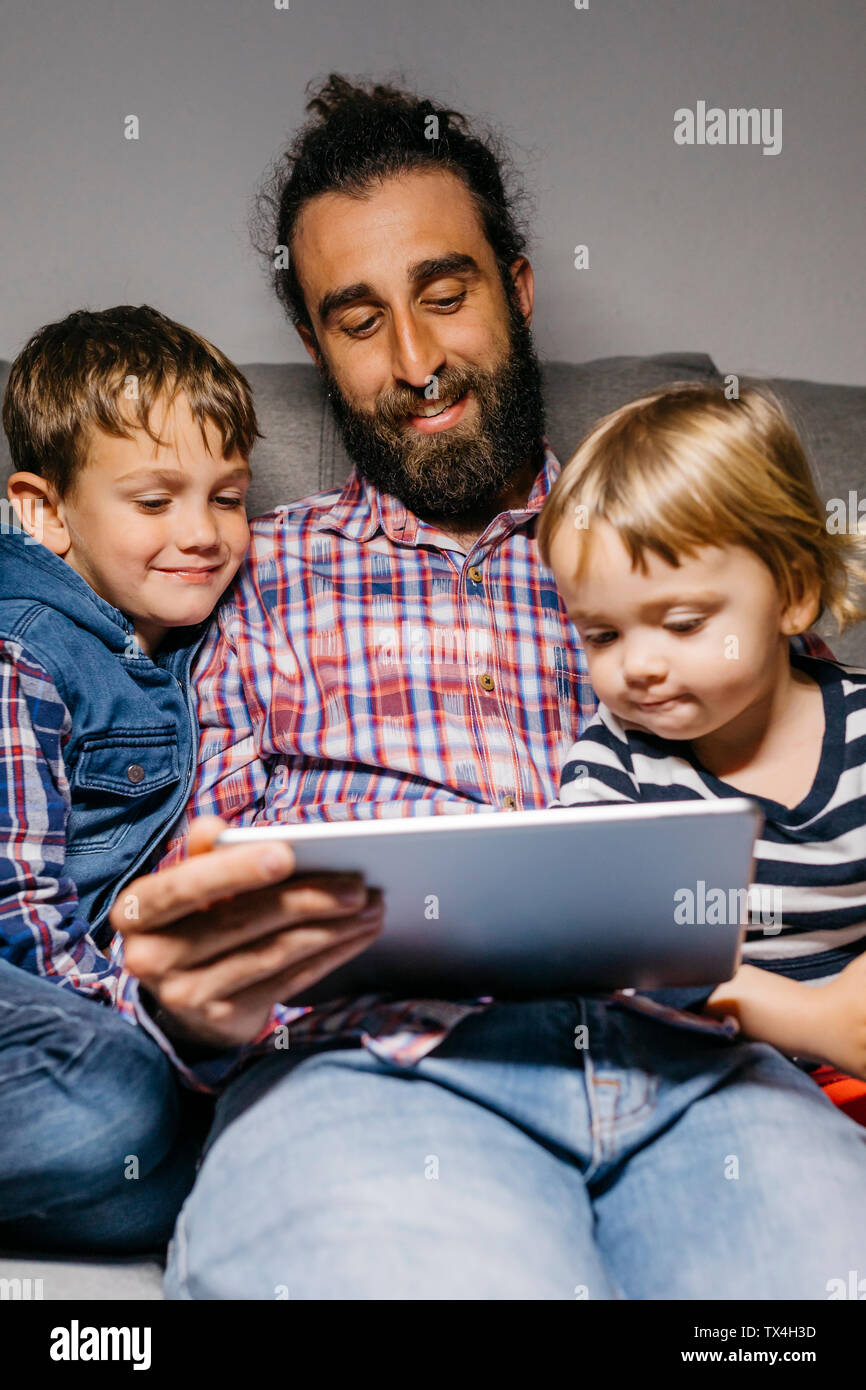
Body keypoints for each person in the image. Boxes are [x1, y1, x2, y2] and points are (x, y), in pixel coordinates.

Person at [113, 76, 866, 1298]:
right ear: (315, 346)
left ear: (514, 289)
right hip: (382, 1073)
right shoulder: (242, 574)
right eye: (357, 321)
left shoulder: (681, 530)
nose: (414, 361)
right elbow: (187, 904)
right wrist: (199, 1004)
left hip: (705, 1071)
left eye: (443, 294)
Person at [0, 304, 255, 1250]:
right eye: (155, 502)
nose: (202, 534)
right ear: (45, 511)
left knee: (158, 1181)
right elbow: (18, 915)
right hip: (19, 978)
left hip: (53, 1015)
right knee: (119, 1106)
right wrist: (154, 1028)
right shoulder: (22, 650)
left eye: (227, 498)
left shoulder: (174, 637)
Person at [539, 380, 866, 1082]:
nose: (639, 666)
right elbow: (612, 948)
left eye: (684, 624)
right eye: (602, 635)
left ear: (794, 591)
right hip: (708, 1073)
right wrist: (810, 1020)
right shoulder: (614, 764)